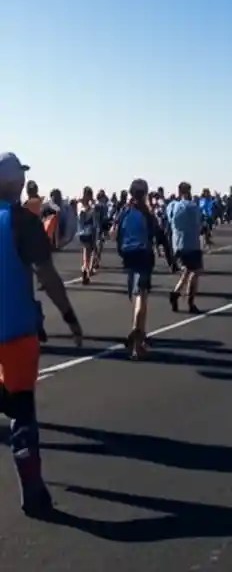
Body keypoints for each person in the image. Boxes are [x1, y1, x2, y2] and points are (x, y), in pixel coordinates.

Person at [0, 152, 84, 516]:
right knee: (22, 414)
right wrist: (68, 315)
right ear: (16, 181)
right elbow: (46, 275)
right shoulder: (21, 221)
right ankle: (33, 493)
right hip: (16, 330)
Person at [112, 178, 175, 360]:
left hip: (128, 255)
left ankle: (140, 334)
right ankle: (136, 339)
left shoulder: (124, 212)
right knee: (142, 296)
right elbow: (160, 235)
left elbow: (117, 234)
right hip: (143, 255)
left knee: (136, 294)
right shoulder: (147, 214)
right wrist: (171, 260)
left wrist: (121, 253)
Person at [166, 182, 204, 315]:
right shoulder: (192, 207)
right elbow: (198, 222)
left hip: (178, 243)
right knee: (196, 271)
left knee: (187, 270)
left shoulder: (172, 206)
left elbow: (169, 222)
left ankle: (176, 293)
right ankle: (190, 302)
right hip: (191, 243)